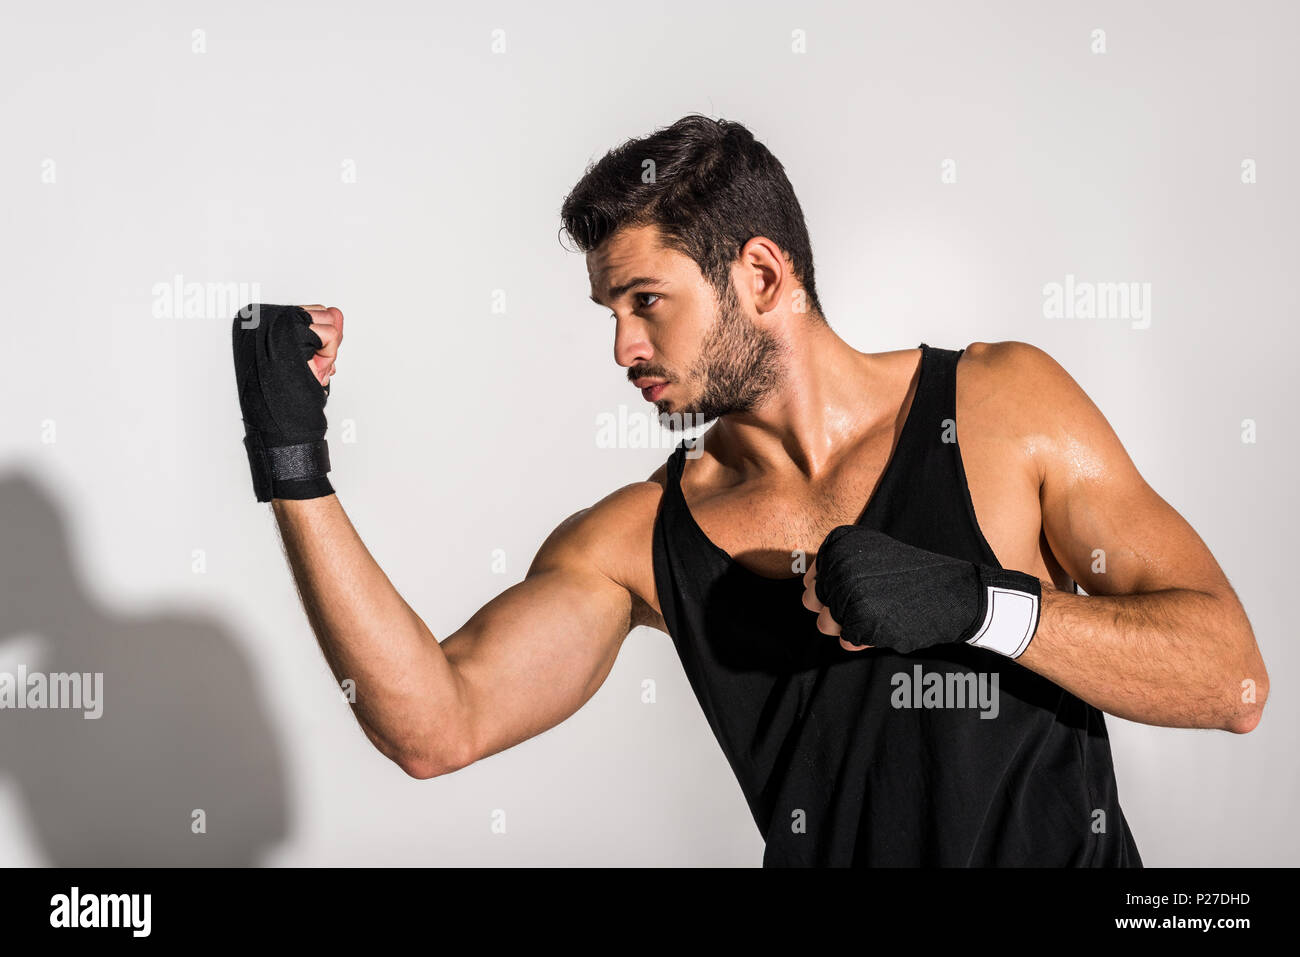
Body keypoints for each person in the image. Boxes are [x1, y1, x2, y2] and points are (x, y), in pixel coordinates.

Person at [230, 114, 1269, 866]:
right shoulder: (640, 538)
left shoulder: (1002, 404)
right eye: (608, 312)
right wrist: (292, 462)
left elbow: (1230, 681)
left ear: (762, 278)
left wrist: (979, 608)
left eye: (646, 301)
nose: (622, 346)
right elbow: (433, 726)